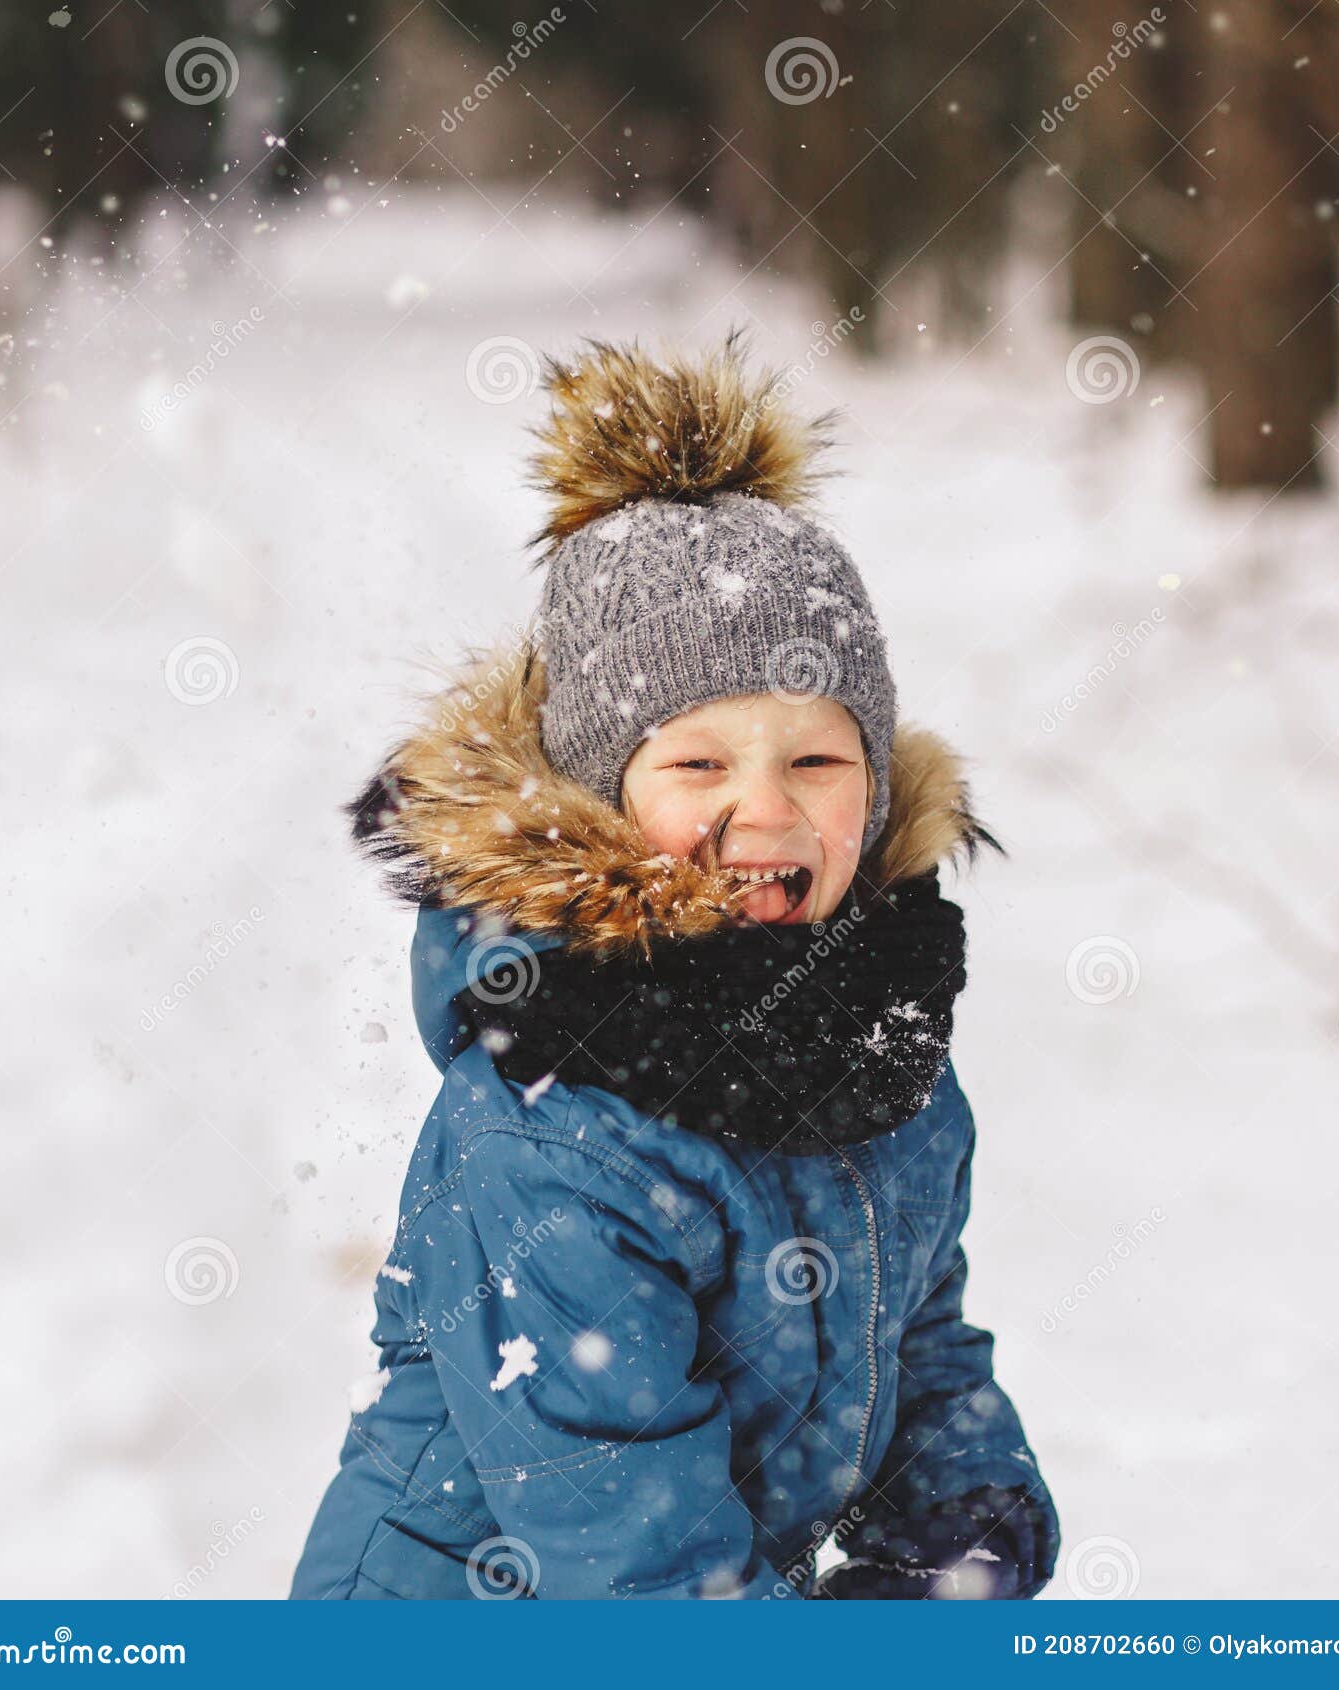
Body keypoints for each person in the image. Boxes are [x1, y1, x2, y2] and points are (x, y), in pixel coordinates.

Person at [289, 335, 1058, 1600]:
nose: (764, 816)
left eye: (815, 762)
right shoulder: (551, 1133)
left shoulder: (879, 1036)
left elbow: (916, 1338)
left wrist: (967, 1516)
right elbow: (632, 1554)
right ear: (598, 800)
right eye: (698, 766)